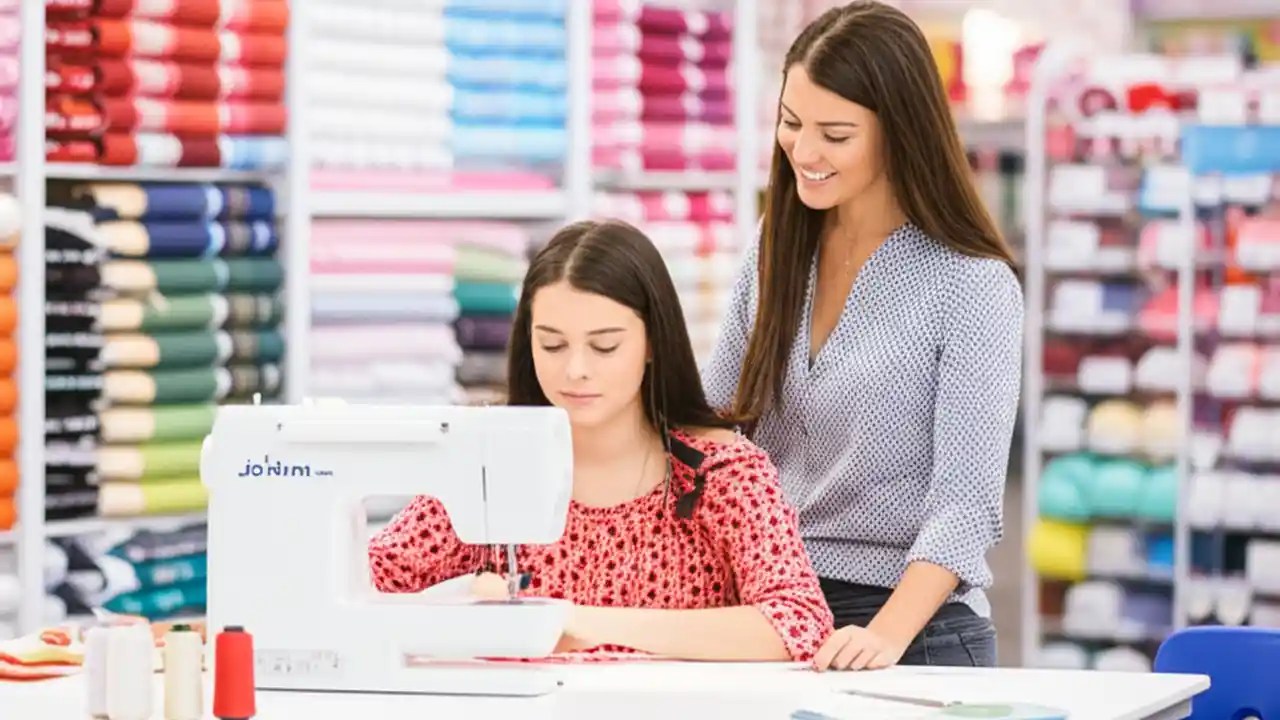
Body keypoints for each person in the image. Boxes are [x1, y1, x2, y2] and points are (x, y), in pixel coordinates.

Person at [702, 1, 1023, 671]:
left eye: (835, 133)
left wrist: (886, 634)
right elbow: (709, 425)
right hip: (776, 608)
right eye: (791, 123)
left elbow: (965, 507)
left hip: (914, 624)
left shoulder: (973, 285)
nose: (804, 151)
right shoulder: (778, 247)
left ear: (899, 132)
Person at [368, 219, 834, 663]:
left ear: (652, 342)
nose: (575, 370)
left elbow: (799, 621)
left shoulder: (720, 475)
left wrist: (580, 622)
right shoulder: (488, 469)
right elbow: (367, 579)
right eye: (551, 345)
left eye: (605, 346)